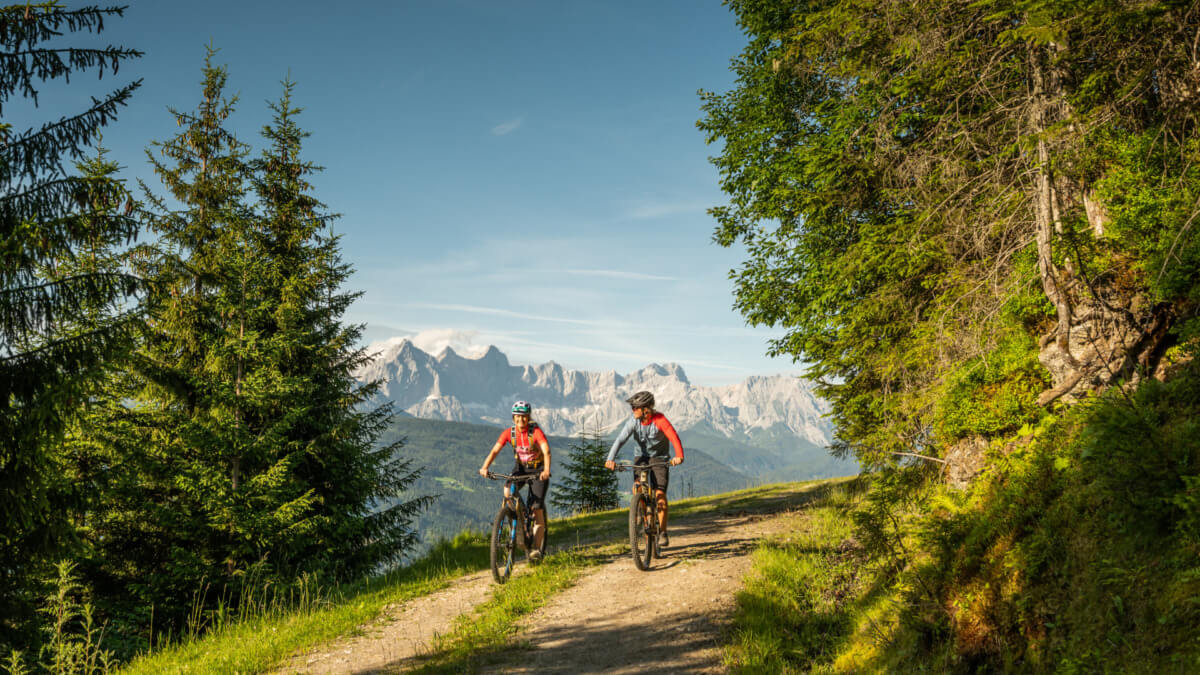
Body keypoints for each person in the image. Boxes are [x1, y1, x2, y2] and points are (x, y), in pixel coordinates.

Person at [604, 390, 684, 553]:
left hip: (660, 458)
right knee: (637, 487)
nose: (632, 410)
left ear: (646, 409)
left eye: (635, 407)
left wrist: (679, 456)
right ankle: (639, 509)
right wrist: (610, 459)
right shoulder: (633, 421)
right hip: (641, 457)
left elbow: (674, 437)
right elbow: (620, 439)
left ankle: (662, 532)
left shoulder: (660, 420)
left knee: (660, 495)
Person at [479, 400, 552, 560]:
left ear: (528, 417)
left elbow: (546, 451)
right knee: (507, 491)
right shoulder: (509, 433)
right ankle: (515, 515)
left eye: (524, 417)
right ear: (513, 418)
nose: (521, 420)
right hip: (521, 468)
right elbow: (494, 451)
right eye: (518, 417)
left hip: (538, 469)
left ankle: (536, 550)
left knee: (536, 510)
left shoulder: (535, 432)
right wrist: (484, 467)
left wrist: (546, 470)